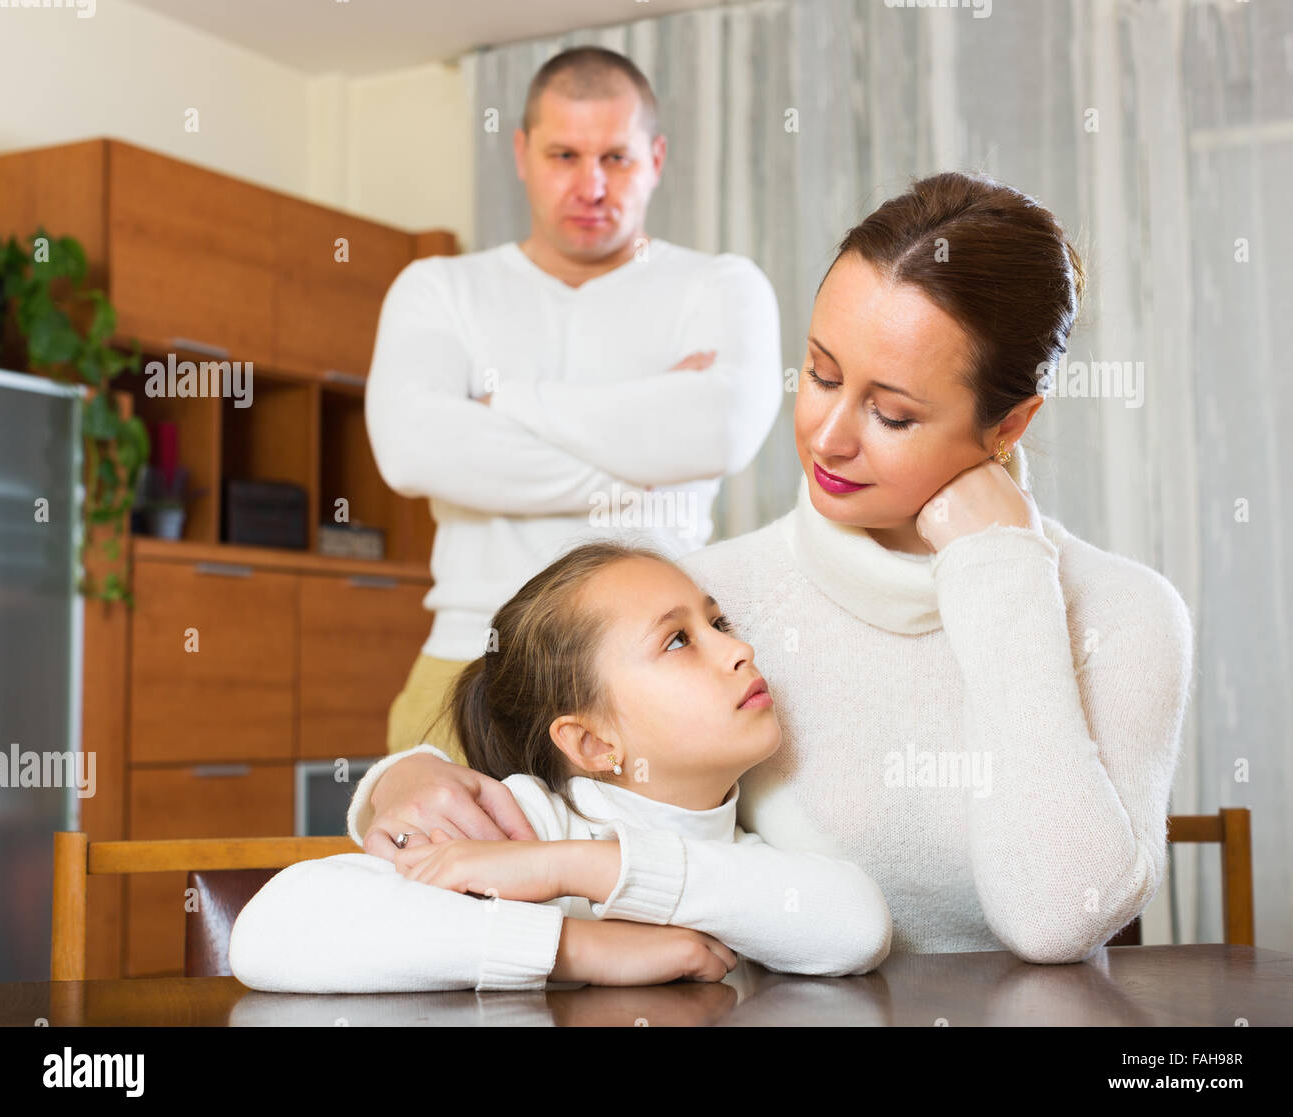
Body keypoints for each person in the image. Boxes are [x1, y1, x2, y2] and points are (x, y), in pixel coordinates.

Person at [354, 172, 1194, 966]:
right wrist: (398, 781)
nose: (828, 435)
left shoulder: (1125, 616)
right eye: (821, 373)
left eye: (892, 413)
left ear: (1008, 423)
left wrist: (1002, 569)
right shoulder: (712, 603)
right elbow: (548, 779)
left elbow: (1055, 919)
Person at [228, 541, 891, 992]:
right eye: (680, 639)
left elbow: (858, 926)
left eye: (718, 621)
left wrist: (574, 868)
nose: (740, 648)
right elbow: (270, 930)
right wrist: (575, 947)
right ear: (594, 744)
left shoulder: (735, 855)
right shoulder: (522, 824)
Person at [366, 46, 782, 761]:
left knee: (662, 873)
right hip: (469, 656)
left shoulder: (721, 286)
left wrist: (506, 403)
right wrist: (641, 470)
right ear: (523, 153)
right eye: (565, 155)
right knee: (439, 871)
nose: (591, 185)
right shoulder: (436, 289)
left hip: (661, 668)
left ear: (654, 157)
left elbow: (719, 432)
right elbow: (409, 449)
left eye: (615, 158)